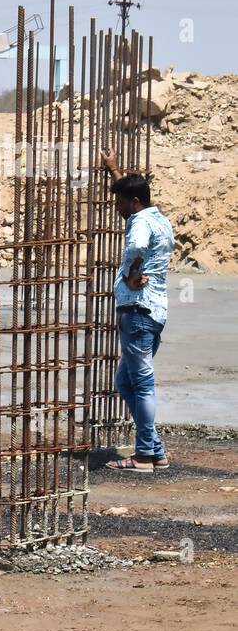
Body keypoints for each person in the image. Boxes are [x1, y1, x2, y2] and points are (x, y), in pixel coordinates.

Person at [101, 149, 174, 472]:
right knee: (126, 381)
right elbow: (130, 196)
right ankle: (154, 448)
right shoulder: (158, 218)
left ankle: (144, 454)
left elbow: (136, 245)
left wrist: (131, 274)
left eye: (120, 203)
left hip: (137, 310)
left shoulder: (141, 223)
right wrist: (115, 171)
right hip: (154, 311)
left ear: (132, 202)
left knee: (141, 383)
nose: (118, 209)